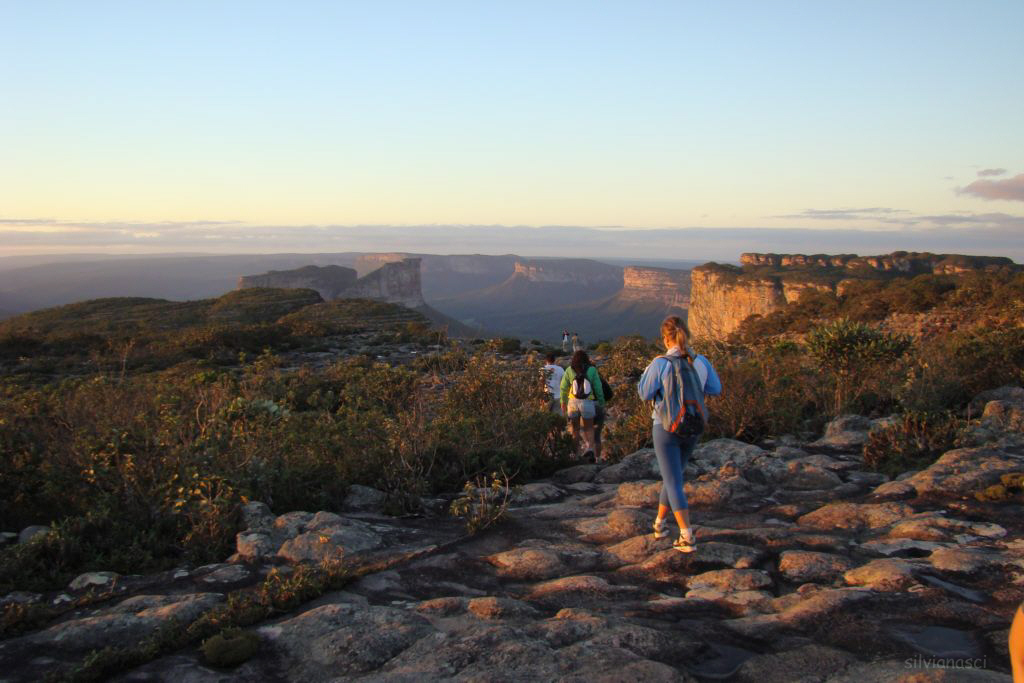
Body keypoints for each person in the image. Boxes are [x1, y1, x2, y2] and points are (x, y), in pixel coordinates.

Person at [637, 315, 721, 553]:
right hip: (693, 426)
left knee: (673, 480)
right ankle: (660, 524)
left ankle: (686, 535)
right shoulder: (700, 361)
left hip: (665, 428)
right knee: (673, 476)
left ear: (665, 338)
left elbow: (644, 393)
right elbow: (715, 388)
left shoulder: (661, 363)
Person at [560, 349, 605, 461]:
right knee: (589, 428)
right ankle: (590, 450)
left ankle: (575, 455)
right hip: (587, 402)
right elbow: (598, 387)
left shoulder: (569, 370)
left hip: (572, 403)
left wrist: (563, 402)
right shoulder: (592, 370)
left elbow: (563, 387)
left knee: (575, 430)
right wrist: (601, 401)